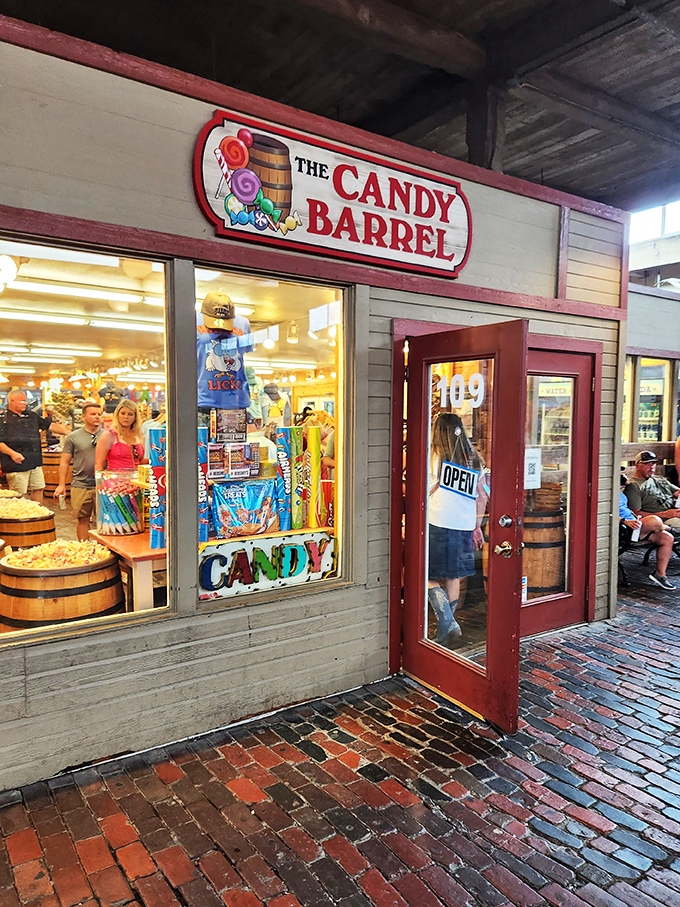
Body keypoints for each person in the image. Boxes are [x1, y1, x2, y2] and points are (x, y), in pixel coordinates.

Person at [427, 412, 486, 645]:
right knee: (452, 577)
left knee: (426, 576)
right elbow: (481, 497)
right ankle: (447, 629)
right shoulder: (474, 459)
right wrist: (477, 527)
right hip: (463, 524)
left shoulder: (432, 456)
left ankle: (448, 623)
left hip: (437, 521)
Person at [0, 390, 68, 500]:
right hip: (16, 462)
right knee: (19, 494)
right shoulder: (3, 419)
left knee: (39, 488)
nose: (25, 403)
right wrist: (12, 453)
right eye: (21, 401)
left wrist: (68, 433)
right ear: (11, 401)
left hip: (35, 461)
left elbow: (48, 425)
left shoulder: (31, 415)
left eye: (25, 401)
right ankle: (20, 516)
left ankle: (37, 514)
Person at [54, 403, 103, 541]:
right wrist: (62, 484)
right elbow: (64, 462)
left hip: (103, 484)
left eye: (99, 414)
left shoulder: (107, 436)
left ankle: (103, 553)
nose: (97, 417)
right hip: (80, 484)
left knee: (104, 520)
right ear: (84, 416)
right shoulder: (73, 437)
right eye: (93, 414)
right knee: (83, 520)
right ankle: (84, 547)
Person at [620, 472, 675, 589]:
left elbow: (628, 510)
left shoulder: (621, 494)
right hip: (624, 528)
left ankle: (660, 574)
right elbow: (604, 514)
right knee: (654, 520)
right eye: (621, 473)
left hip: (635, 525)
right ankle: (667, 528)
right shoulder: (605, 495)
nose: (624, 475)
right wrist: (624, 521)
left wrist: (634, 517)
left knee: (667, 538)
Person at [624, 450, 680, 530]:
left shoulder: (660, 479)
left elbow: (677, 493)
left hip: (674, 513)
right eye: (647, 464)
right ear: (637, 466)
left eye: (653, 463)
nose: (651, 467)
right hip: (660, 521)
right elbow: (636, 514)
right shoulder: (634, 485)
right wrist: (665, 515)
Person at [95, 399, 145, 471]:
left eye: (130, 414)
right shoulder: (109, 435)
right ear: (117, 415)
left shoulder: (139, 435)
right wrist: (100, 481)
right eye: (123, 413)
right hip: (115, 480)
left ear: (135, 417)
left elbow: (140, 461)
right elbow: (99, 464)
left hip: (136, 480)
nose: (126, 417)